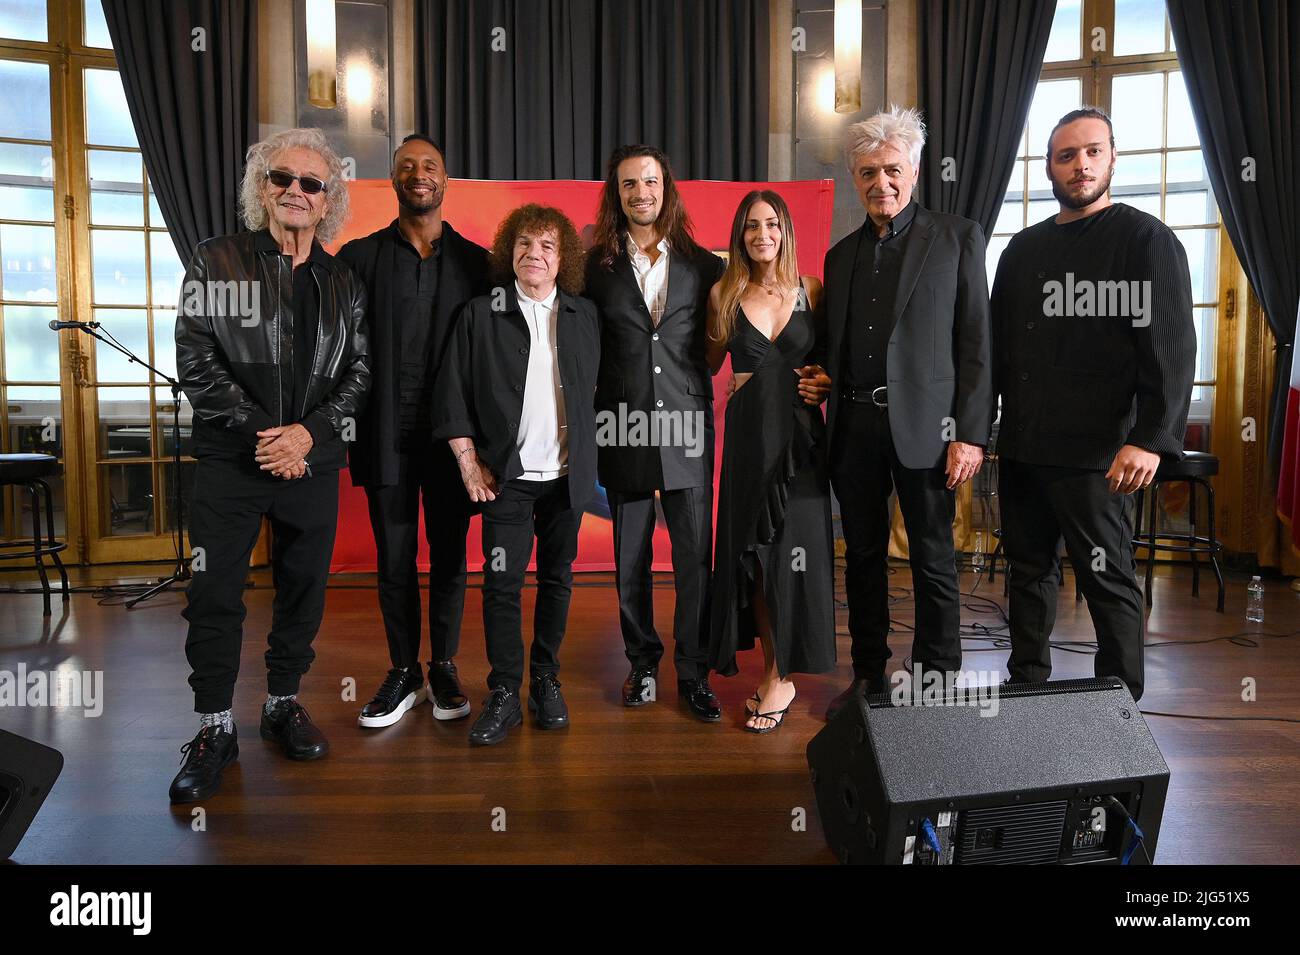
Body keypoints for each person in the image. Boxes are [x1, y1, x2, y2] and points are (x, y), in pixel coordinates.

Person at [585, 144, 830, 722]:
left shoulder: (705, 266)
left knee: (695, 557)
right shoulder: (592, 267)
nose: (641, 192)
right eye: (628, 184)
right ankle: (643, 662)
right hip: (622, 424)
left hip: (688, 426)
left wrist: (815, 375)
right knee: (630, 558)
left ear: (665, 188)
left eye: (650, 181)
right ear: (616, 196)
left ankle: (692, 672)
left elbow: (718, 348)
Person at [170, 128, 370, 802]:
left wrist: (307, 436)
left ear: (327, 200)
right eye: (281, 178)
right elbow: (196, 361)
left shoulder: (343, 279)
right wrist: (268, 436)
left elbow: (359, 373)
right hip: (234, 456)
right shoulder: (215, 260)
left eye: (310, 184)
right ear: (262, 189)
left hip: (313, 459)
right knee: (215, 592)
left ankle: (281, 702)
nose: (295, 191)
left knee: (303, 587)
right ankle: (214, 726)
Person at [991, 107, 1196, 702]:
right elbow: (1000, 355)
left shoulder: (1145, 239)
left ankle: (1118, 709)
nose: (1080, 164)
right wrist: (980, 431)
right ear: (1049, 168)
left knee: (1107, 578)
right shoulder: (1021, 251)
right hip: (1025, 444)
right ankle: (1026, 685)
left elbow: (1172, 348)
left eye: (1092, 152)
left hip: (1101, 452)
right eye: (1066, 155)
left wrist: (1153, 436)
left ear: (1111, 157)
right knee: (1027, 575)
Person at [821, 106, 993, 720]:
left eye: (892, 169)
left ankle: (936, 681)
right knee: (862, 556)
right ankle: (868, 673)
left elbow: (976, 343)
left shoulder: (958, 237)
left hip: (932, 430)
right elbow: (833, 349)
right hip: (854, 430)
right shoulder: (839, 258)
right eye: (867, 172)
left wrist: (971, 433)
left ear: (915, 171)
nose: (880, 183)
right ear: (855, 177)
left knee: (931, 555)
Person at [433, 205, 600, 745]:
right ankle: (505, 690)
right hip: (507, 478)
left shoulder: (584, 316)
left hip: (568, 478)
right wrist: (466, 460)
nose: (535, 253)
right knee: (502, 584)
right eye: (525, 243)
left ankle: (545, 681)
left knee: (558, 580)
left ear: (563, 260)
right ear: (510, 251)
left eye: (548, 246)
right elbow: (452, 391)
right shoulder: (482, 312)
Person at [338, 134, 489, 728]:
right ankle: (403, 670)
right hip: (386, 436)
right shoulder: (359, 258)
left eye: (430, 165)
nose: (419, 174)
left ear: (445, 179)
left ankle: (444, 666)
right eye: (407, 167)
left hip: (455, 440)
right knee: (394, 558)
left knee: (452, 557)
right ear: (394, 181)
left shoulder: (479, 265)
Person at [706, 190, 836, 732]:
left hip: (802, 443)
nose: (763, 234)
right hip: (749, 442)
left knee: (797, 555)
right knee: (755, 557)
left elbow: (830, 362)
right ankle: (771, 671)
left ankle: (785, 674)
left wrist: (824, 382)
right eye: (752, 226)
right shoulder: (723, 294)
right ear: (740, 235)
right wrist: (745, 380)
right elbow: (707, 361)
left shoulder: (812, 290)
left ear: (785, 231)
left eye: (772, 224)